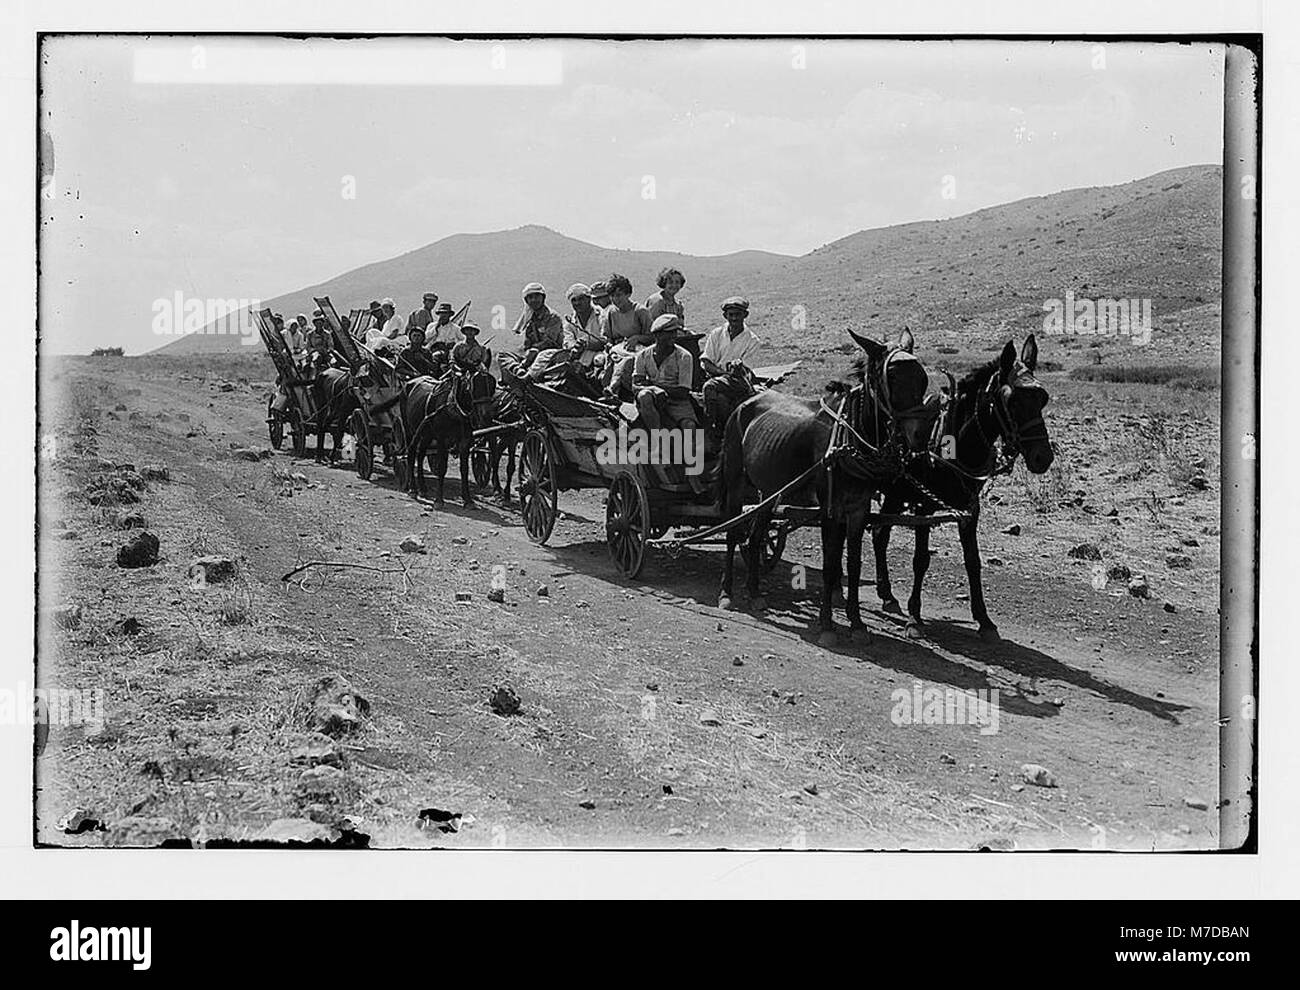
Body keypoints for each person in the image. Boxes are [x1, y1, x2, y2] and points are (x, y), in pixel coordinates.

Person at [700, 296, 761, 436]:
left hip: (740, 382)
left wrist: (738, 369)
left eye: (738, 315)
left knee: (709, 387)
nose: (734, 319)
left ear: (745, 315)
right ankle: (722, 432)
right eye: (731, 315)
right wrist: (722, 374)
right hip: (718, 378)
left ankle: (710, 429)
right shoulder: (716, 334)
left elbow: (746, 371)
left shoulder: (753, 340)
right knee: (720, 399)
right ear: (725, 316)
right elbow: (706, 362)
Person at [633, 315, 697, 430]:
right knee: (644, 396)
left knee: (689, 426)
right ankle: (658, 439)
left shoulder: (684, 356)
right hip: (652, 398)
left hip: (676, 401)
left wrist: (656, 387)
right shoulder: (643, 355)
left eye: (674, 332)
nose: (673, 336)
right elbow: (636, 384)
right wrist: (654, 390)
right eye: (668, 333)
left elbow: (683, 391)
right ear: (657, 335)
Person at [600, 273, 652, 397]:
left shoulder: (640, 311)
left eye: (619, 295)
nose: (615, 299)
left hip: (638, 351)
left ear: (628, 294)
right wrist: (608, 343)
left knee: (628, 360)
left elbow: (652, 337)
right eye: (612, 296)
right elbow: (607, 336)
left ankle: (613, 388)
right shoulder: (610, 313)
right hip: (617, 349)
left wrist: (637, 338)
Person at [510, 282, 565, 370]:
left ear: (543, 298)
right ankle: (517, 370)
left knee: (539, 355)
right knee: (504, 355)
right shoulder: (530, 320)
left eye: (536, 296)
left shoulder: (553, 317)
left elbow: (549, 342)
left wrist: (534, 350)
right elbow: (527, 343)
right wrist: (527, 352)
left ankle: (524, 375)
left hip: (551, 355)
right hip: (532, 355)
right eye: (530, 297)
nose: (533, 300)